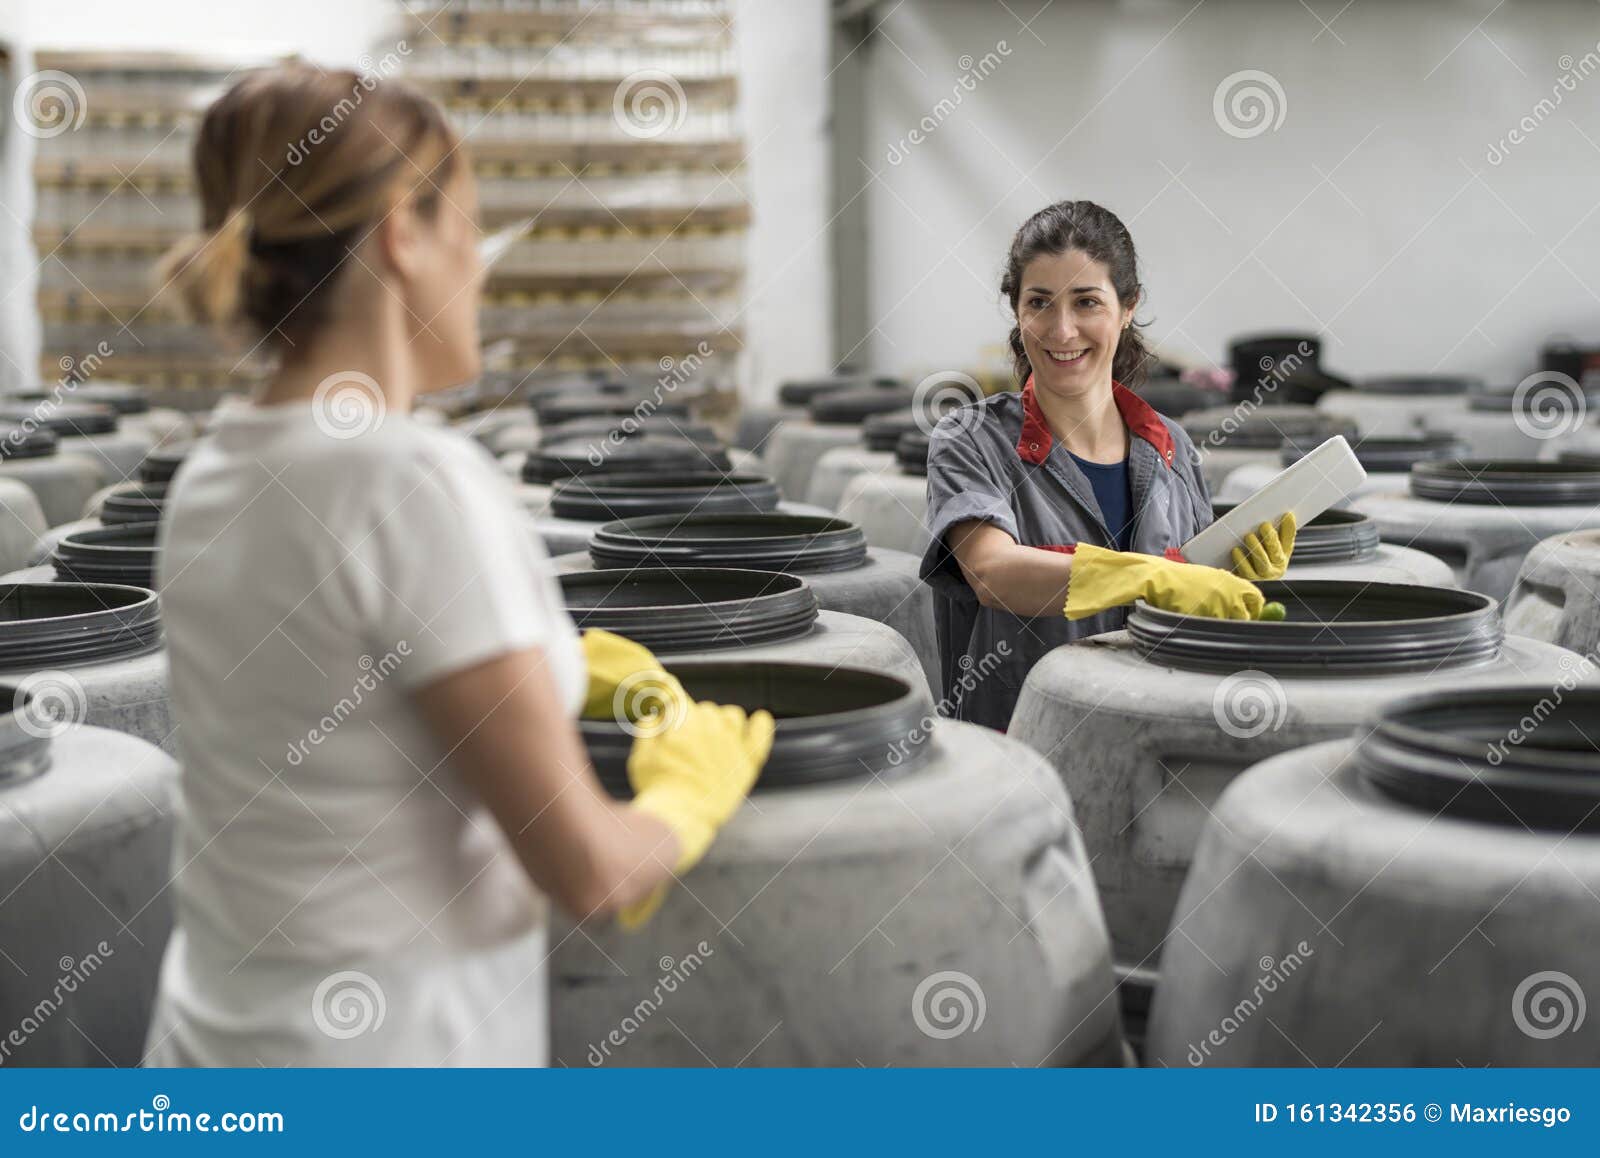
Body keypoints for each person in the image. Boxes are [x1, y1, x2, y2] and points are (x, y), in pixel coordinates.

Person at [141, 64, 770, 1067]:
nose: (480, 271)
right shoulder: (411, 480)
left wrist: (538, 657)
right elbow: (591, 873)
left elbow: (344, 701)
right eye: (468, 230)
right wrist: (686, 800)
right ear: (403, 233)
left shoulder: (208, 476)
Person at [920, 200, 1294, 730]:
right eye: (1040, 302)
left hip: (1161, 741)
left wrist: (1232, 572)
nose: (1063, 329)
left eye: (1087, 302)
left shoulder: (1172, 449)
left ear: (1127, 307)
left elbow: (1181, 600)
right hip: (1021, 756)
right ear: (1017, 310)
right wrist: (1148, 576)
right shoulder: (970, 440)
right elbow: (992, 572)